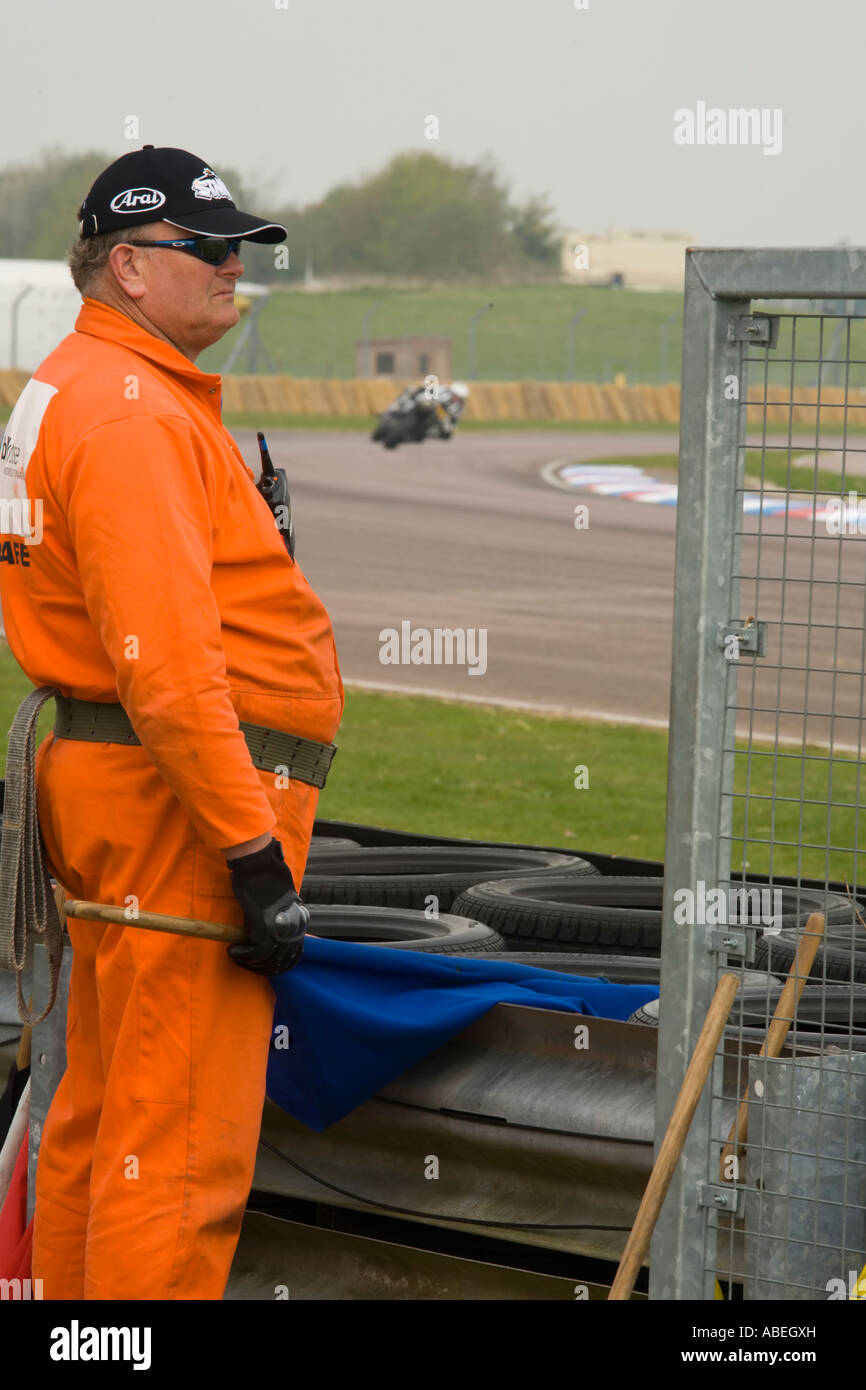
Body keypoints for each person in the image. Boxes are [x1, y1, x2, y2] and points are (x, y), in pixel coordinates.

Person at [0, 145, 343, 1299]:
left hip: (117, 785)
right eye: (210, 249)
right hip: (175, 805)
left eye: (238, 247)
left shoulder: (74, 384)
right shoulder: (134, 414)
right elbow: (168, 668)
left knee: (104, 1117)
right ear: (132, 267)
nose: (233, 269)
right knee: (177, 1145)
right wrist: (251, 854)